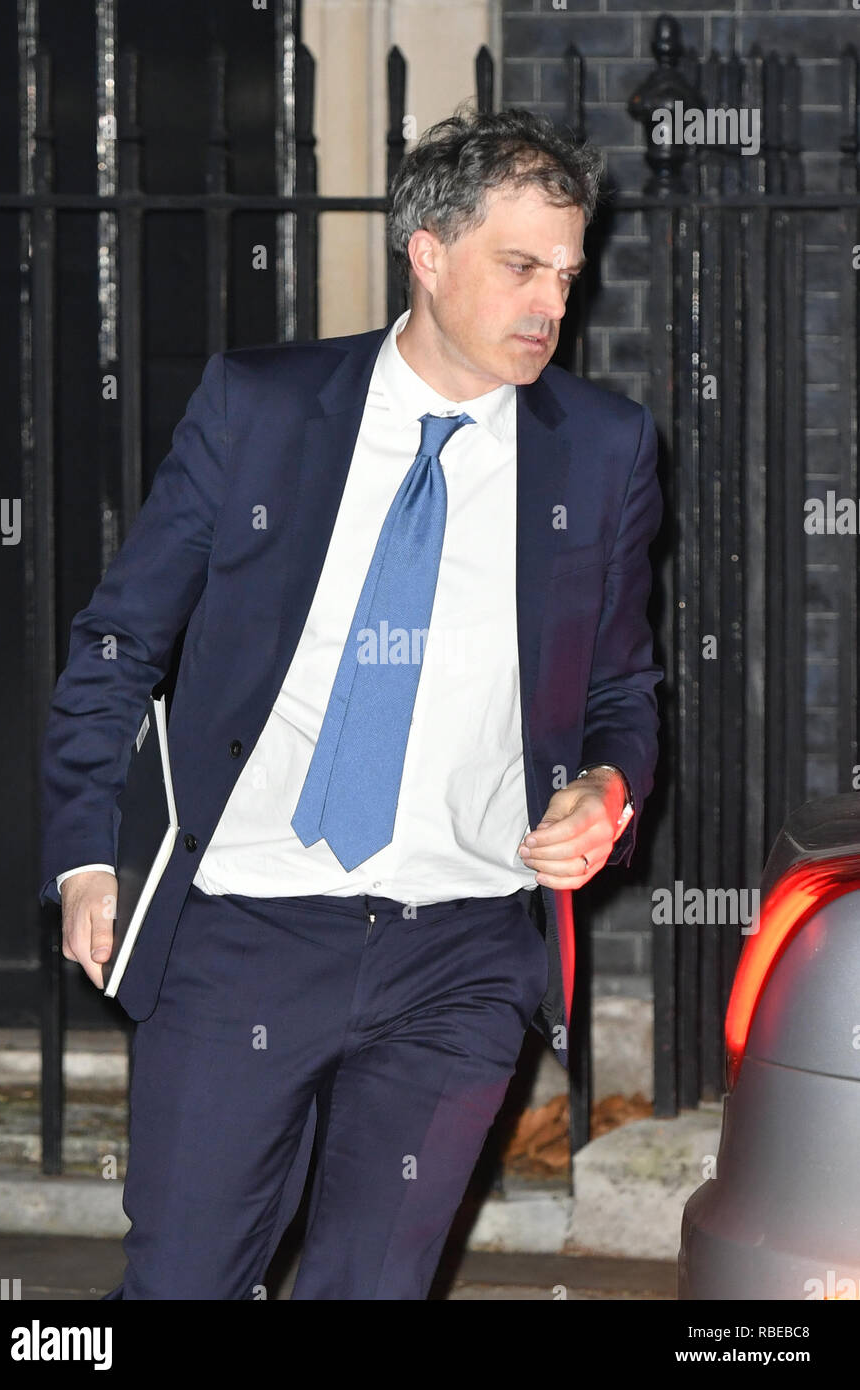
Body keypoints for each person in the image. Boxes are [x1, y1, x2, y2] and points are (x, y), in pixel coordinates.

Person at [39, 104, 663, 1300]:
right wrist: (84, 855)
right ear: (426, 254)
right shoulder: (262, 409)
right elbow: (119, 639)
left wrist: (605, 784)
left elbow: (621, 686)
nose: (551, 304)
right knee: (181, 1284)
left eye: (568, 274)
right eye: (519, 266)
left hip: (464, 947)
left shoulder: (602, 449)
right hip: (245, 931)